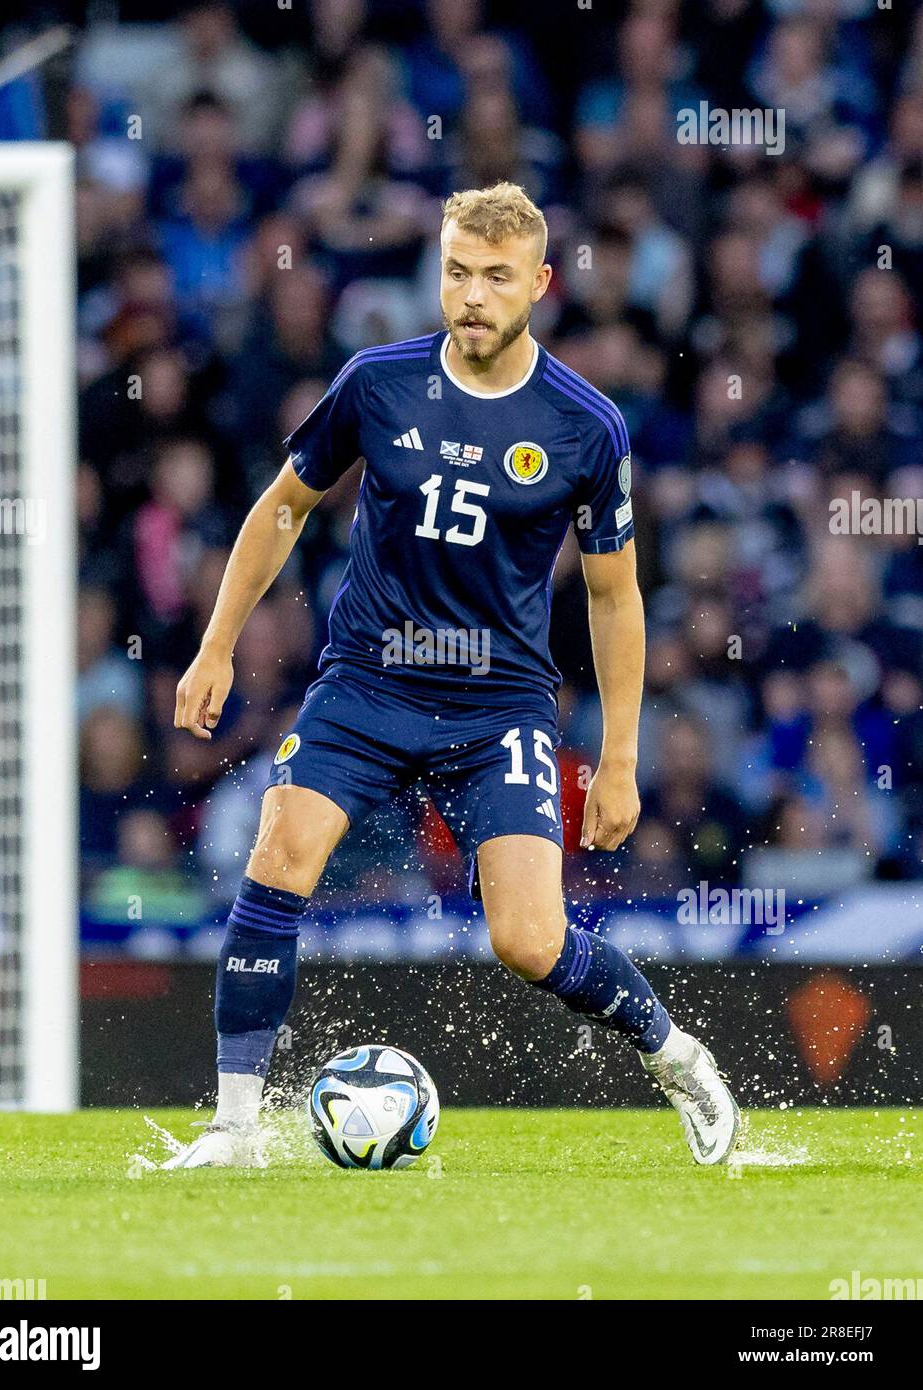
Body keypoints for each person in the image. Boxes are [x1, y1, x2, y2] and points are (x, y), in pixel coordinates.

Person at [165, 182, 740, 1169]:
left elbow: (614, 598)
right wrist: (217, 644)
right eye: (457, 273)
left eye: (496, 277)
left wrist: (617, 759)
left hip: (499, 705)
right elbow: (280, 506)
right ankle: (231, 1128)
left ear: (540, 285)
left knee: (527, 940)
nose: (472, 296)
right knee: (282, 850)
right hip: (367, 682)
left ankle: (675, 1053)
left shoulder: (584, 424)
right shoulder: (376, 383)